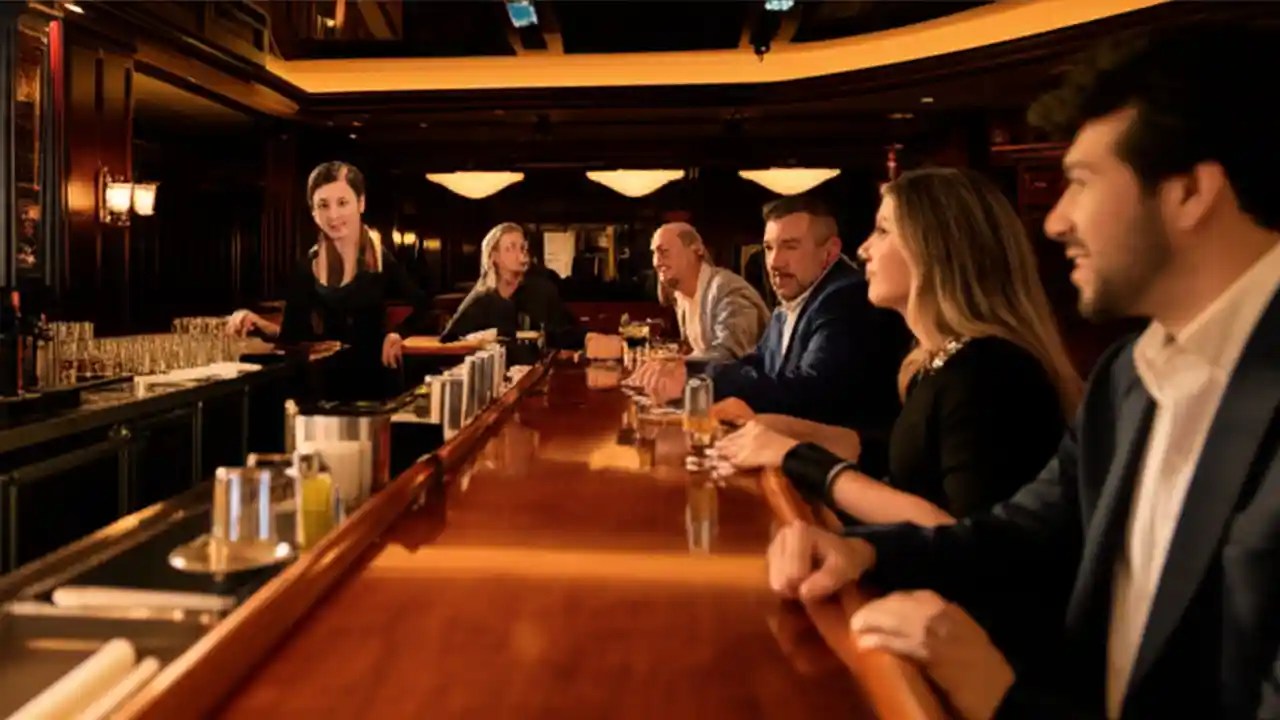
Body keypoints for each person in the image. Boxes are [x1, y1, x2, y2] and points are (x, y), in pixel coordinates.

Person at [765, 24, 1280, 720]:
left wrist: (999, 695)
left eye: (1082, 182)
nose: (1055, 220)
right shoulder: (1133, 371)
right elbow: (1018, 531)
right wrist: (859, 553)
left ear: (1190, 192)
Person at [715, 167, 1081, 528]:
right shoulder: (936, 361)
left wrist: (798, 459)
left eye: (883, 230)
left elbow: (971, 543)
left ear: (936, 249)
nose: (863, 250)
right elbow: (892, 457)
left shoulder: (990, 375)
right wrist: (782, 430)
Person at [641, 195, 910, 478]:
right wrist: (692, 373)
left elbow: (812, 393)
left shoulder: (846, 298)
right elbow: (758, 363)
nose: (775, 262)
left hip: (851, 478)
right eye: (769, 248)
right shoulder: (794, 297)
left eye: (790, 246)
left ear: (829, 252)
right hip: (796, 462)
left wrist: (701, 379)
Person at [227, 161, 431, 372]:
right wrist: (257, 323)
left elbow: (426, 309)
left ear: (361, 203)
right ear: (314, 212)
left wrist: (398, 334)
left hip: (374, 384)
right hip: (322, 388)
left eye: (342, 203)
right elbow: (292, 336)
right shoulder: (306, 267)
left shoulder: (382, 261)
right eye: (323, 205)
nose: (333, 215)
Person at [440, 222, 584, 348]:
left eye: (522, 247)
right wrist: (485, 338)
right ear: (493, 256)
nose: (520, 253)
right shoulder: (481, 299)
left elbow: (567, 332)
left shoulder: (542, 291)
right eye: (511, 248)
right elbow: (449, 342)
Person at [644, 221, 769, 362]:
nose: (656, 262)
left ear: (696, 250)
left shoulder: (727, 289)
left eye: (664, 251)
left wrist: (677, 364)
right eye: (654, 253)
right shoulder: (680, 296)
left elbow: (729, 355)